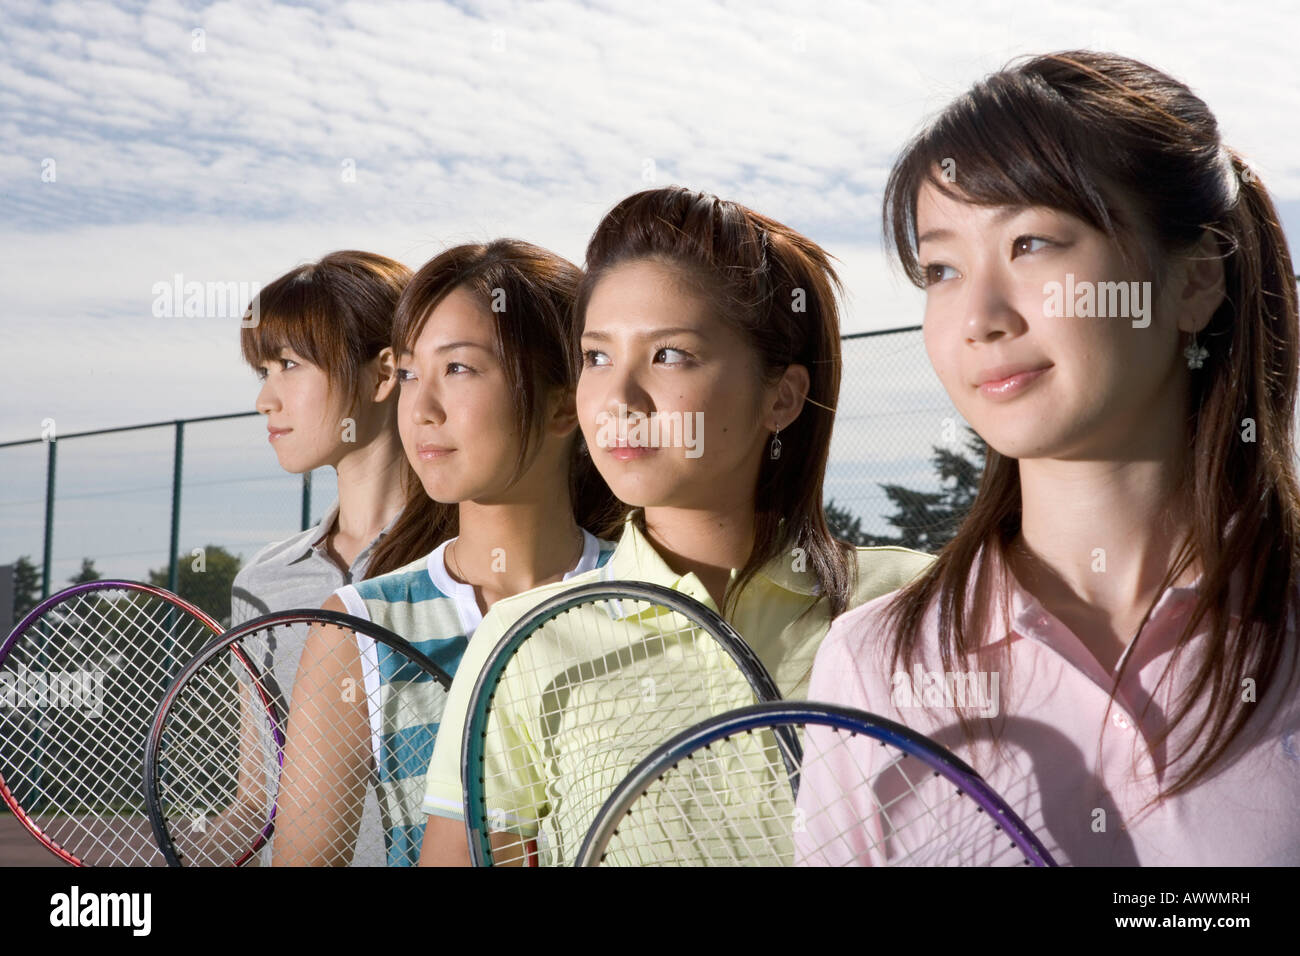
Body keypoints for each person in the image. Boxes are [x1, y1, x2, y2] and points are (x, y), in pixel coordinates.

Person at [796, 50, 1300, 866]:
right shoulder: (871, 664)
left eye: (1032, 243)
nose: (979, 316)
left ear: (1195, 281)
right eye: (941, 268)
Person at [418, 186, 936, 866]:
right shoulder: (520, 638)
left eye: (669, 355)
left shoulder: (917, 600)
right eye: (597, 357)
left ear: (780, 397)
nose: (619, 399)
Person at [271, 240, 622, 866]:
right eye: (408, 374)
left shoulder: (652, 595)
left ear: (563, 403)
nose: (421, 409)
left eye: (458, 369)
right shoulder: (360, 626)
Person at [228, 250, 412, 866]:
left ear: (383, 374)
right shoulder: (262, 583)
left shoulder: (467, 564)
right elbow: (257, 801)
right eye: (263, 371)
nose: (266, 400)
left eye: (288, 365)